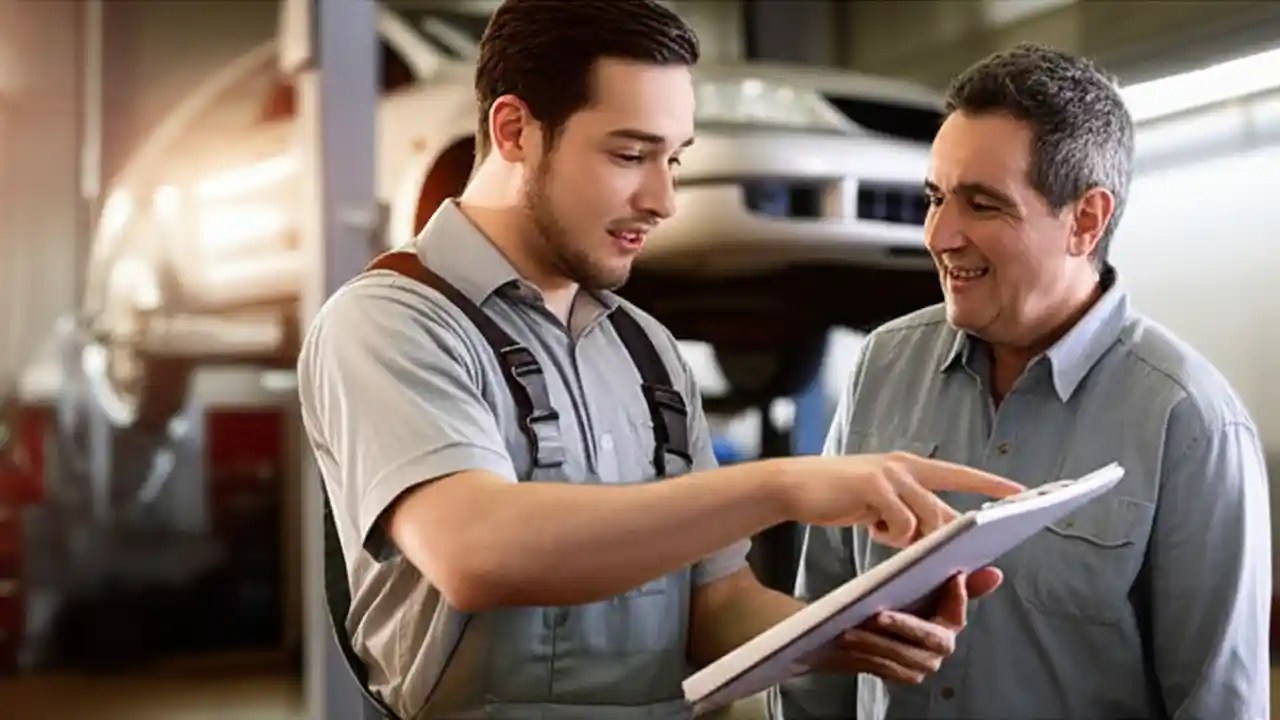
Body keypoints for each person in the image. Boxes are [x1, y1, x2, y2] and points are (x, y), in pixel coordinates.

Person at [295, 1, 1025, 718]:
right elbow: (477, 551)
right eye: (630, 155)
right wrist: (783, 487)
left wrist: (847, 630)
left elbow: (717, 603)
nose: (663, 199)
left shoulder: (647, 351)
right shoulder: (391, 321)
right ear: (514, 130)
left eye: (673, 159)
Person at [776, 42, 1272, 720]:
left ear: (1086, 220)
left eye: (982, 205)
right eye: (935, 198)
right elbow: (817, 646)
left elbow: (1216, 704)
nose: (939, 235)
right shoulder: (882, 368)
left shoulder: (1187, 422)